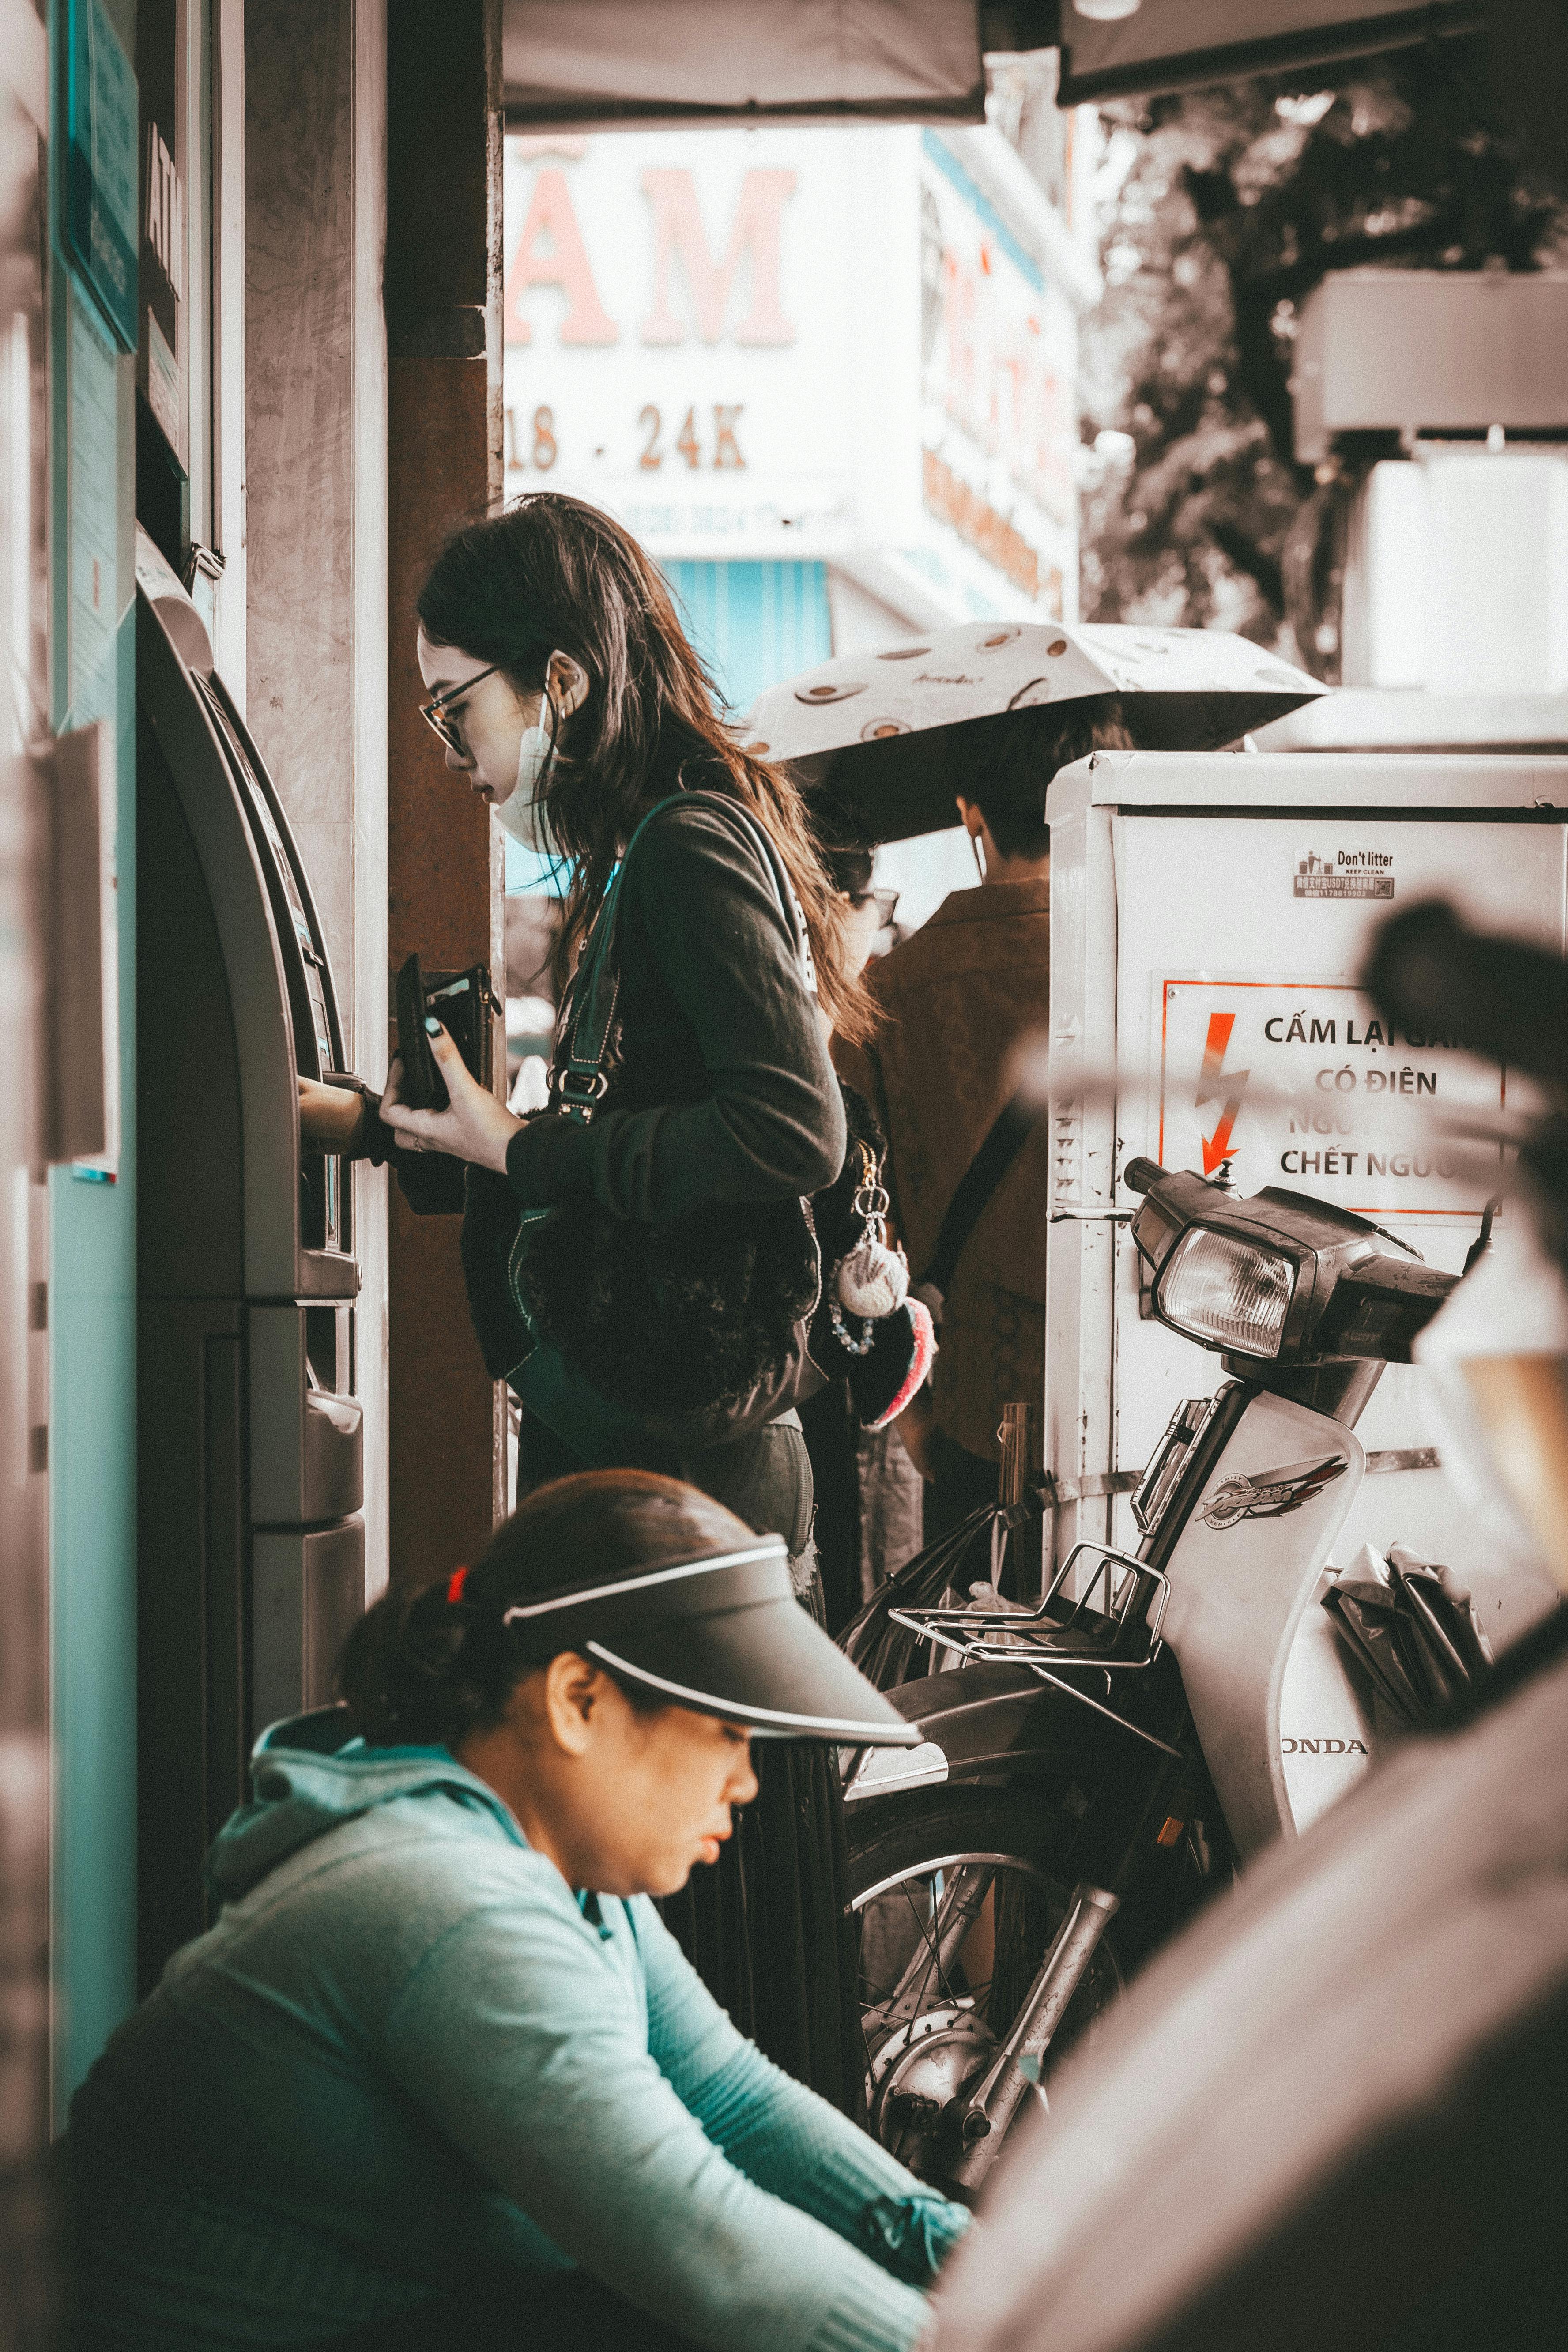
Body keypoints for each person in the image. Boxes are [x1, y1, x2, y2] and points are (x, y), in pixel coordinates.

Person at [373, 493, 871, 2106]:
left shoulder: (683, 842)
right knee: (703, 1962)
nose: (452, 747)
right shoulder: (660, 843)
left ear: (563, 682)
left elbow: (790, 1127)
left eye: (455, 704)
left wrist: (542, 1149)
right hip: (681, 1475)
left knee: (712, 1978)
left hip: (695, 1484)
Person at [68, 1472, 968, 2352]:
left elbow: (732, 2102)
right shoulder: (452, 1902)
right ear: (578, 1701)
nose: (745, 1784)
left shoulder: (554, 1870)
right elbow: (708, 2251)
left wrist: (958, 2256)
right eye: (727, 1735)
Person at [834, 705, 1131, 1554]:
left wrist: (918, 1425)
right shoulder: (1150, 965)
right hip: (1147, 1423)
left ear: (970, 813)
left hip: (974, 1430)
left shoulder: (882, 1000)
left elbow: (854, 1238)